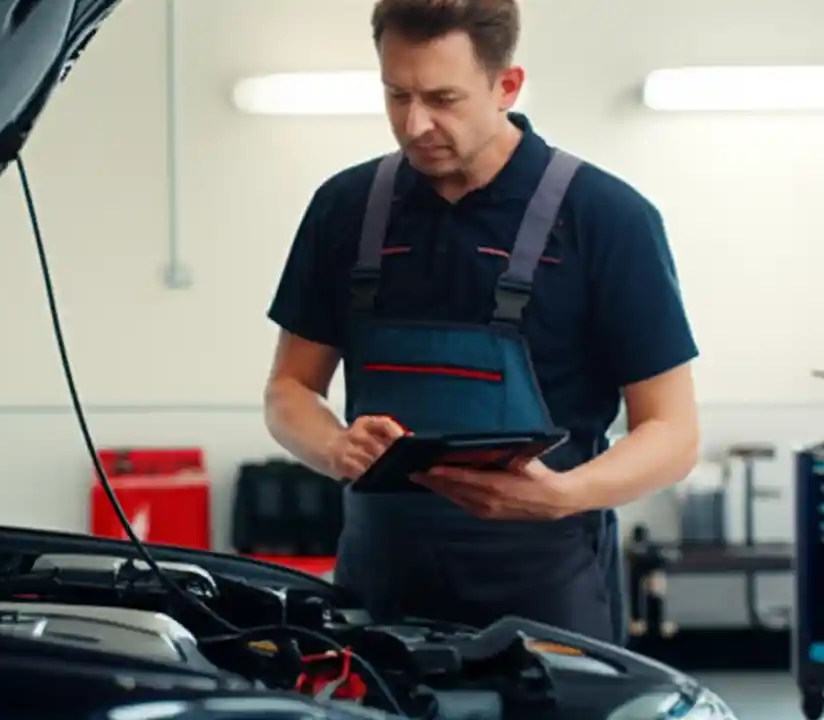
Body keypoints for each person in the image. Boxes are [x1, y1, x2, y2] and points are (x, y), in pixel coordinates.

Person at [262, 0, 700, 645]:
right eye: (397, 95)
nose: (415, 124)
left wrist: (565, 493)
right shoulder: (344, 208)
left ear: (507, 86)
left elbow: (673, 432)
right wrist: (332, 447)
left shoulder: (606, 217)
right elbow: (289, 390)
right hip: (380, 585)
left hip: (545, 586)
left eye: (443, 98)